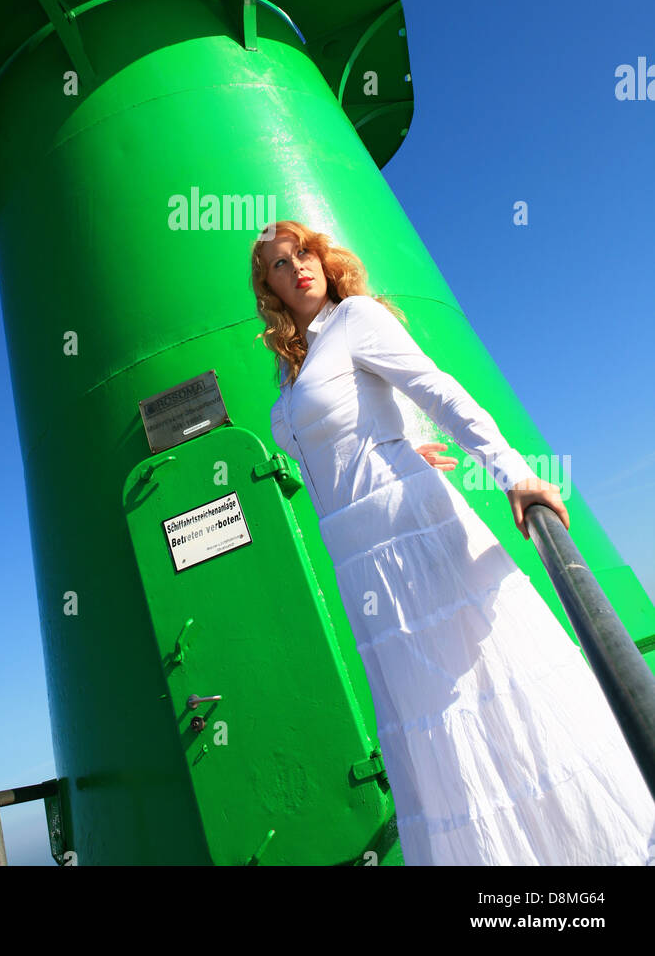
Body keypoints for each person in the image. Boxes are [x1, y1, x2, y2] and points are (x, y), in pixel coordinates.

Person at [251, 219, 655, 866]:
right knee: (430, 726)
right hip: (359, 563)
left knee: (482, 693)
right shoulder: (287, 371)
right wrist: (402, 445)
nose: (296, 265)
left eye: (303, 251)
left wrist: (514, 473)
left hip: (412, 533)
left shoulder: (355, 316)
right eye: (278, 262)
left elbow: (434, 389)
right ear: (267, 287)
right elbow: (341, 438)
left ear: (324, 259)